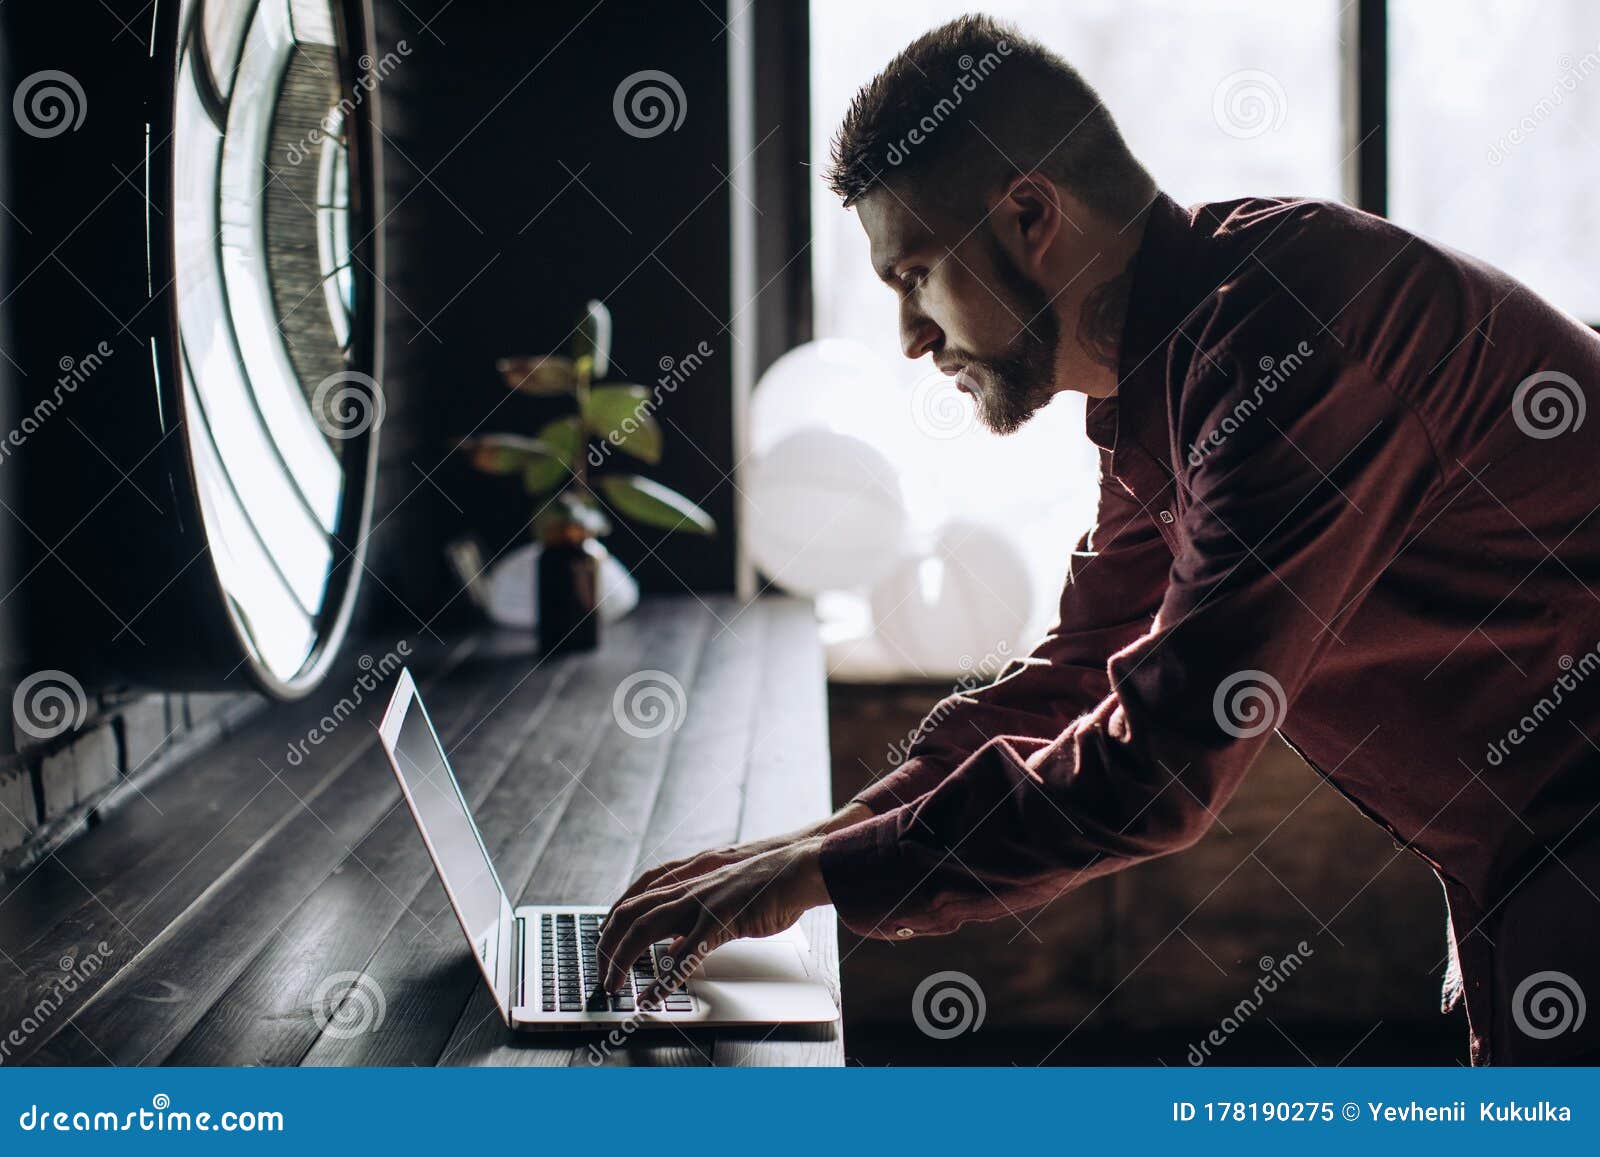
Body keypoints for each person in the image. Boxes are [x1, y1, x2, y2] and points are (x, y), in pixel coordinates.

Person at [597, 14, 1600, 1064]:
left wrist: (828, 877)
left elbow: (1160, 757)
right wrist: (806, 846)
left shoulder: (1288, 338)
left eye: (916, 276)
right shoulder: (1181, 367)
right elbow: (1075, 675)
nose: (908, 337)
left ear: (1031, 213)